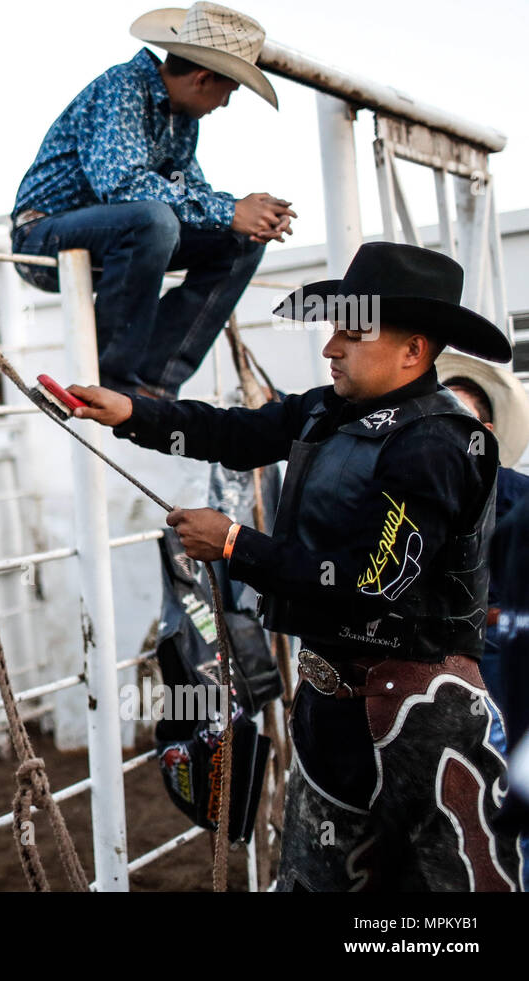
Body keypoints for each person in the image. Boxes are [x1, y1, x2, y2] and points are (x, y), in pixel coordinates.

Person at [66, 242, 522, 891]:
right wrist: (134, 414)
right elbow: (234, 433)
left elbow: (374, 583)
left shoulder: (436, 442)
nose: (331, 346)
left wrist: (234, 546)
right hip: (333, 710)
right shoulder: (325, 410)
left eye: (351, 331)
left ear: (412, 350)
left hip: (422, 715)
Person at [10, 2, 296, 398]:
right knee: (153, 220)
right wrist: (230, 210)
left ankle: (154, 380)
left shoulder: (182, 122)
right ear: (203, 78)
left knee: (238, 239)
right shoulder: (122, 88)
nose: (225, 105)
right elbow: (122, 186)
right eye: (228, 92)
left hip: (119, 243)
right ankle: (111, 378)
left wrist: (248, 216)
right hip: (44, 235)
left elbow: (189, 194)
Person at [439, 352, 529, 749]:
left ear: (485, 436)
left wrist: (487, 617)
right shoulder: (411, 502)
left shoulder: (520, 500)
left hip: (499, 672)